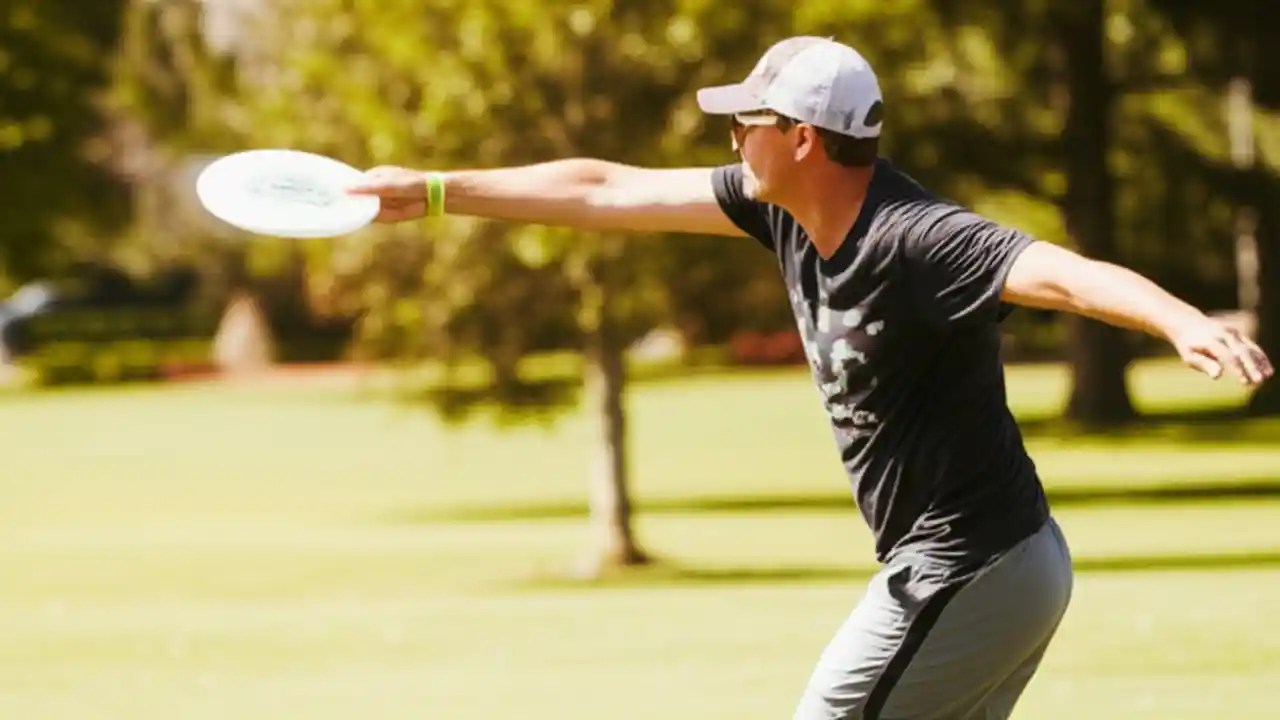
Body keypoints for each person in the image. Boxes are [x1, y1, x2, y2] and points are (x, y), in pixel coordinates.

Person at [347, 35, 1273, 720]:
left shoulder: (917, 238)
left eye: (746, 121)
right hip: (1002, 563)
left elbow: (1067, 273)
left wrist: (1181, 320)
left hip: (972, 564)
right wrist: (434, 189)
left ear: (801, 138)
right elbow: (604, 189)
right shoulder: (778, 211)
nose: (732, 138)